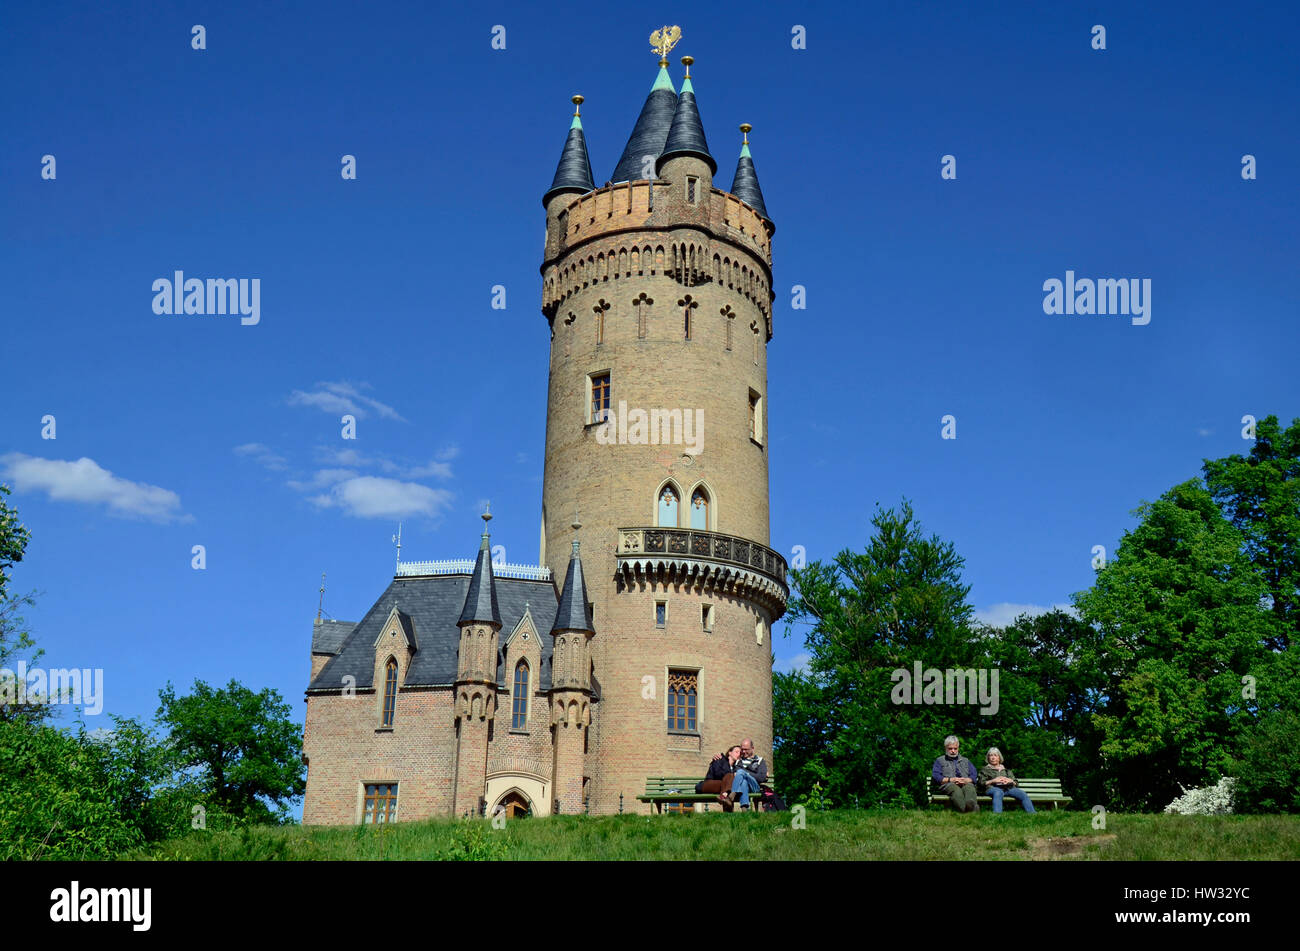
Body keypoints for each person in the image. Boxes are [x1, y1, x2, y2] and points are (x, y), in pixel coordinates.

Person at [978, 747, 1036, 814]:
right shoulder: (985, 769)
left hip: (1008, 789)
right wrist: (993, 781)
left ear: (999, 758)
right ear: (988, 758)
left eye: (995, 755)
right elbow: (980, 783)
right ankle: (997, 816)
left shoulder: (1006, 770)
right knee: (998, 792)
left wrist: (1010, 781)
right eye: (991, 755)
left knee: (1022, 793)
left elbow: (1016, 783)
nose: (993, 758)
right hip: (992, 789)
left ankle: (1032, 814)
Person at [932, 736, 979, 812]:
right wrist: (951, 780)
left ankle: (970, 808)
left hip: (965, 783)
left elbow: (974, 774)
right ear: (945, 748)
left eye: (955, 748)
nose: (953, 751)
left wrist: (968, 780)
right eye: (950, 749)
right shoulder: (940, 760)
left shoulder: (966, 760)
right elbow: (936, 776)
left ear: (958, 748)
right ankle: (971, 811)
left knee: (970, 788)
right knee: (956, 790)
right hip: (949, 785)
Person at [726, 738, 768, 810]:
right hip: (742, 786)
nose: (743, 751)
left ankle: (732, 795)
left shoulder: (759, 760)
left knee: (741, 772)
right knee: (744, 782)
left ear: (752, 748)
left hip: (755, 787)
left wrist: (745, 773)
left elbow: (761, 777)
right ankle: (744, 807)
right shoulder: (738, 761)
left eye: (746, 749)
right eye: (742, 749)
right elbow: (734, 774)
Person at [697, 745, 740, 811]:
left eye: (740, 753)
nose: (739, 754)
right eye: (736, 752)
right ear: (730, 753)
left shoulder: (735, 767)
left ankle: (723, 797)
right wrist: (731, 775)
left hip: (722, 788)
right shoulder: (720, 759)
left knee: (728, 786)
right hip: (707, 784)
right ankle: (728, 813)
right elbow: (717, 774)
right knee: (729, 777)